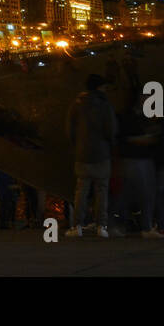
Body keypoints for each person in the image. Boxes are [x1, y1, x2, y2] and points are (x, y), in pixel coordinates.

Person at [65, 73, 117, 237]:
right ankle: (101, 226)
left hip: (82, 154)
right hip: (102, 154)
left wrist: (76, 146)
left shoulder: (77, 104)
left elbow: (70, 130)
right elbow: (111, 129)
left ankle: (77, 226)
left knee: (81, 191)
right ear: (99, 87)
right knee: (102, 190)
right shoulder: (104, 104)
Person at [117, 102, 163, 238]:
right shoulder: (135, 119)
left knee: (129, 194)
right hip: (138, 159)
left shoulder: (130, 117)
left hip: (136, 159)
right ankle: (145, 227)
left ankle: (121, 225)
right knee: (144, 195)